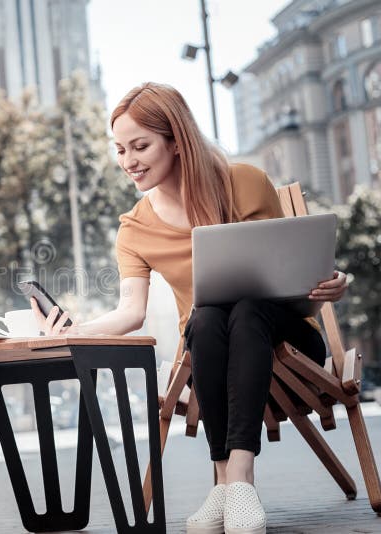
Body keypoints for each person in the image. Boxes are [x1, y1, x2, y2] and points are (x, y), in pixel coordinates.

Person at [30, 82, 348, 534]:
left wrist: (333, 283)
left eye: (140, 146)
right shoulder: (136, 228)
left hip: (287, 351)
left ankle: (233, 481)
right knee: (207, 315)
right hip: (210, 352)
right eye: (119, 149)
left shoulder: (245, 182)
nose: (128, 162)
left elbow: (298, 273)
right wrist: (72, 332)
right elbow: (130, 312)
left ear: (176, 141)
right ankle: (233, 487)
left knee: (245, 309)